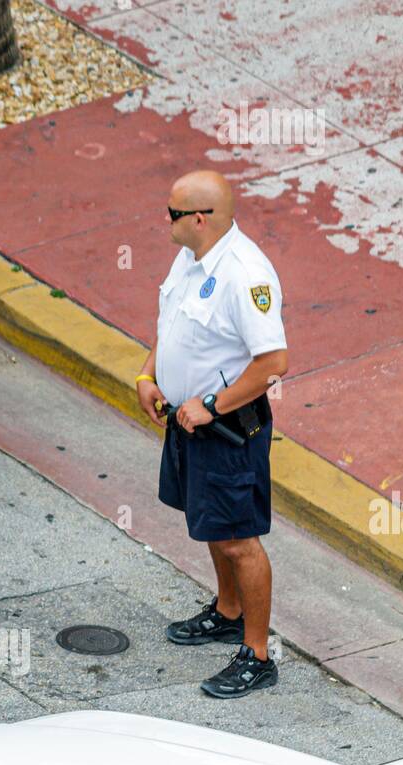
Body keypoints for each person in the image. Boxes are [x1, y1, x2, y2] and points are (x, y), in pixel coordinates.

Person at [136, 170, 288, 698]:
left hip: (226, 431)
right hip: (188, 423)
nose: (166, 221)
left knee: (239, 538)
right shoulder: (191, 258)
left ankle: (258, 654)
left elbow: (273, 363)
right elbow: (172, 324)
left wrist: (210, 406)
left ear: (199, 218)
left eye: (172, 213)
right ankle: (227, 612)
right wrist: (148, 374)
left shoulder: (246, 276)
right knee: (211, 526)